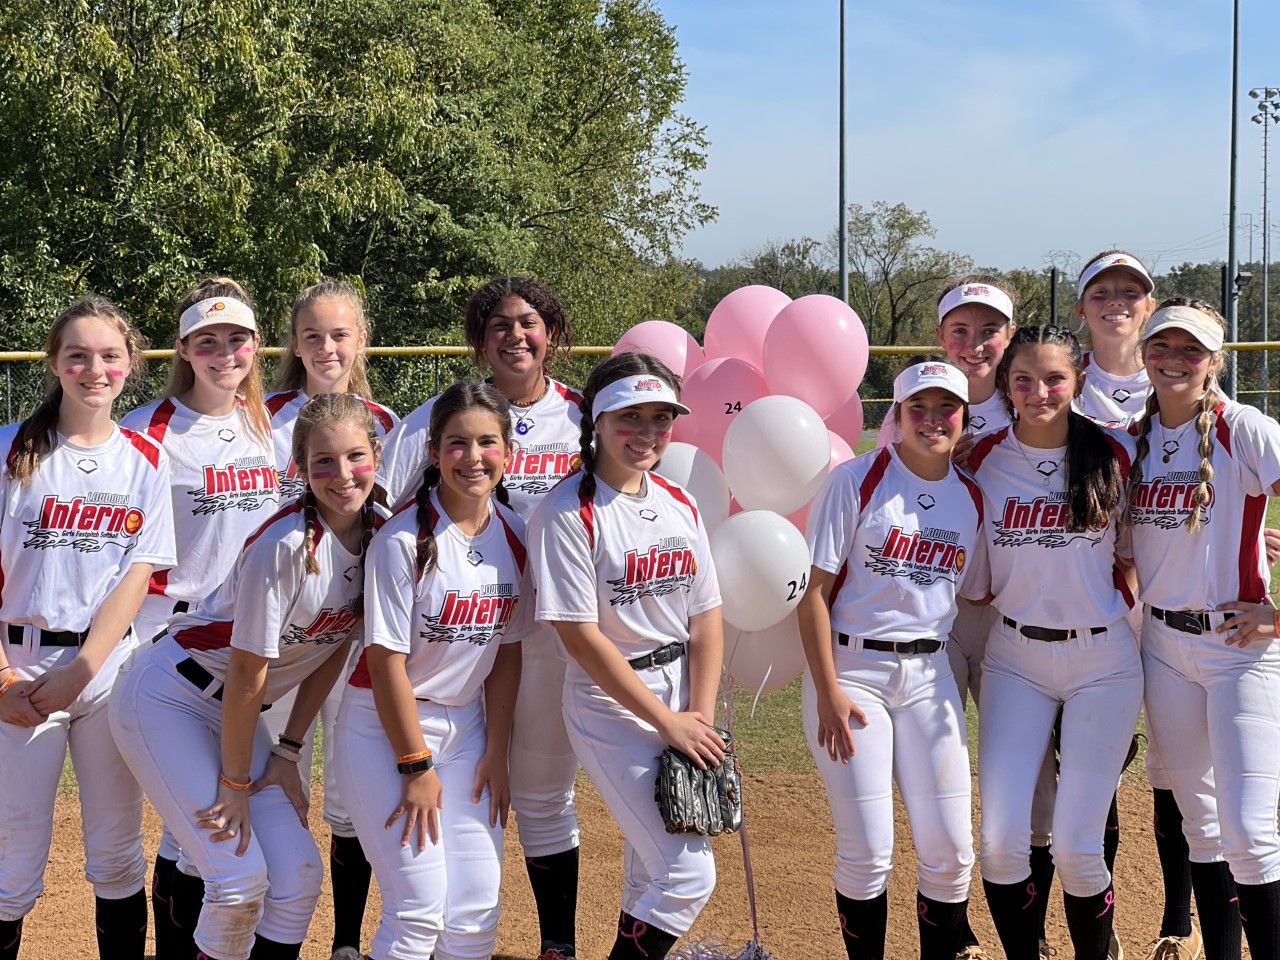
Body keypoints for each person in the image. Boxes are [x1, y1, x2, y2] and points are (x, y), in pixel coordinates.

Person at [109, 393, 381, 960]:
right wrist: (235, 785)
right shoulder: (284, 546)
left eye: (355, 456)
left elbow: (331, 647)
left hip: (230, 709)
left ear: (376, 456)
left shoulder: (380, 534)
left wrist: (286, 751)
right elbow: (246, 672)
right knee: (237, 882)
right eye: (322, 461)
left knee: (301, 876)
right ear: (298, 467)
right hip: (169, 697)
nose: (341, 474)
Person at [379, 276, 583, 959]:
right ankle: (354, 939)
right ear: (477, 343)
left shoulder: (586, 414)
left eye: (529, 322)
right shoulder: (438, 417)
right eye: (498, 325)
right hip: (457, 632)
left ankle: (557, 944)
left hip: (556, 632)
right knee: (388, 802)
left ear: (550, 332)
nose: (515, 335)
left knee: (544, 795)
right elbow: (385, 510)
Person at [528, 352, 724, 960]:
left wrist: (698, 715)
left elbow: (707, 615)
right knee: (688, 874)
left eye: (660, 418)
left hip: (680, 694)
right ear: (595, 422)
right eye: (628, 417)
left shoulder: (678, 502)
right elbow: (580, 637)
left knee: (649, 872)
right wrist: (666, 722)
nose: (646, 434)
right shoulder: (567, 511)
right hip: (611, 705)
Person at [0, 297, 176, 960]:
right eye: (77, 354)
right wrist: (2, 681)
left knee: (117, 854)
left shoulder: (145, 460)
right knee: (12, 864)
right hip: (18, 674)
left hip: (107, 674)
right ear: (53, 363)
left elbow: (138, 578)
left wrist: (83, 671)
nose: (92, 368)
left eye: (108, 355)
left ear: (130, 365)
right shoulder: (10, 447)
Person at [798, 359, 991, 960]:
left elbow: (981, 589)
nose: (933, 420)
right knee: (868, 850)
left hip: (930, 676)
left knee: (953, 851)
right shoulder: (856, 479)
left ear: (963, 416)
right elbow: (812, 595)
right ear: (897, 415)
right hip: (852, 673)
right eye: (919, 408)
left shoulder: (971, 498)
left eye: (946, 408)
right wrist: (828, 691)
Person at [334, 380, 529, 960]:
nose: (473, 457)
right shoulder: (404, 540)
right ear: (433, 451)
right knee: (417, 909)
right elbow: (383, 661)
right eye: (457, 443)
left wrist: (497, 747)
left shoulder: (516, 536)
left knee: (473, 912)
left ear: (508, 452)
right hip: (386, 730)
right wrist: (415, 765)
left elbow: (507, 653)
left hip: (468, 730)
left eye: (487, 442)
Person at [967, 325, 1141, 960]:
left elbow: (1168, 537)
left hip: (1105, 662)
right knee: (1000, 842)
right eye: (1022, 380)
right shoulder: (980, 460)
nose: (1038, 391)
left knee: (1075, 845)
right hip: (1015, 659)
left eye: (1054, 378)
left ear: (1080, 382)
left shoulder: (1119, 452)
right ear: (1006, 387)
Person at [120, 278, 280, 959]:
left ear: (256, 345)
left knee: (212, 823)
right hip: (166, 636)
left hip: (253, 647)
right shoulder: (147, 429)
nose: (223, 353)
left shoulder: (268, 424)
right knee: (181, 828)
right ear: (182, 348)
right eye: (206, 341)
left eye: (237, 338)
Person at [1127, 298, 1280, 960]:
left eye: (1191, 349)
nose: (1173, 360)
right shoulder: (1134, 441)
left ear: (1216, 360)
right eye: (1161, 346)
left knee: (1249, 831)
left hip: (1238, 648)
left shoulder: (1243, 429)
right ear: (1144, 355)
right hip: (1164, 648)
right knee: (1203, 828)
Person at [265, 280, 397, 959]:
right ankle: (256, 925)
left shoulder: (386, 422)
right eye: (312, 334)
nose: (326, 346)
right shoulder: (259, 416)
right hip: (274, 633)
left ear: (361, 341)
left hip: (350, 630)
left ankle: (345, 943)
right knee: (268, 776)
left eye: (340, 333)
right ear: (294, 343)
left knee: (349, 793)